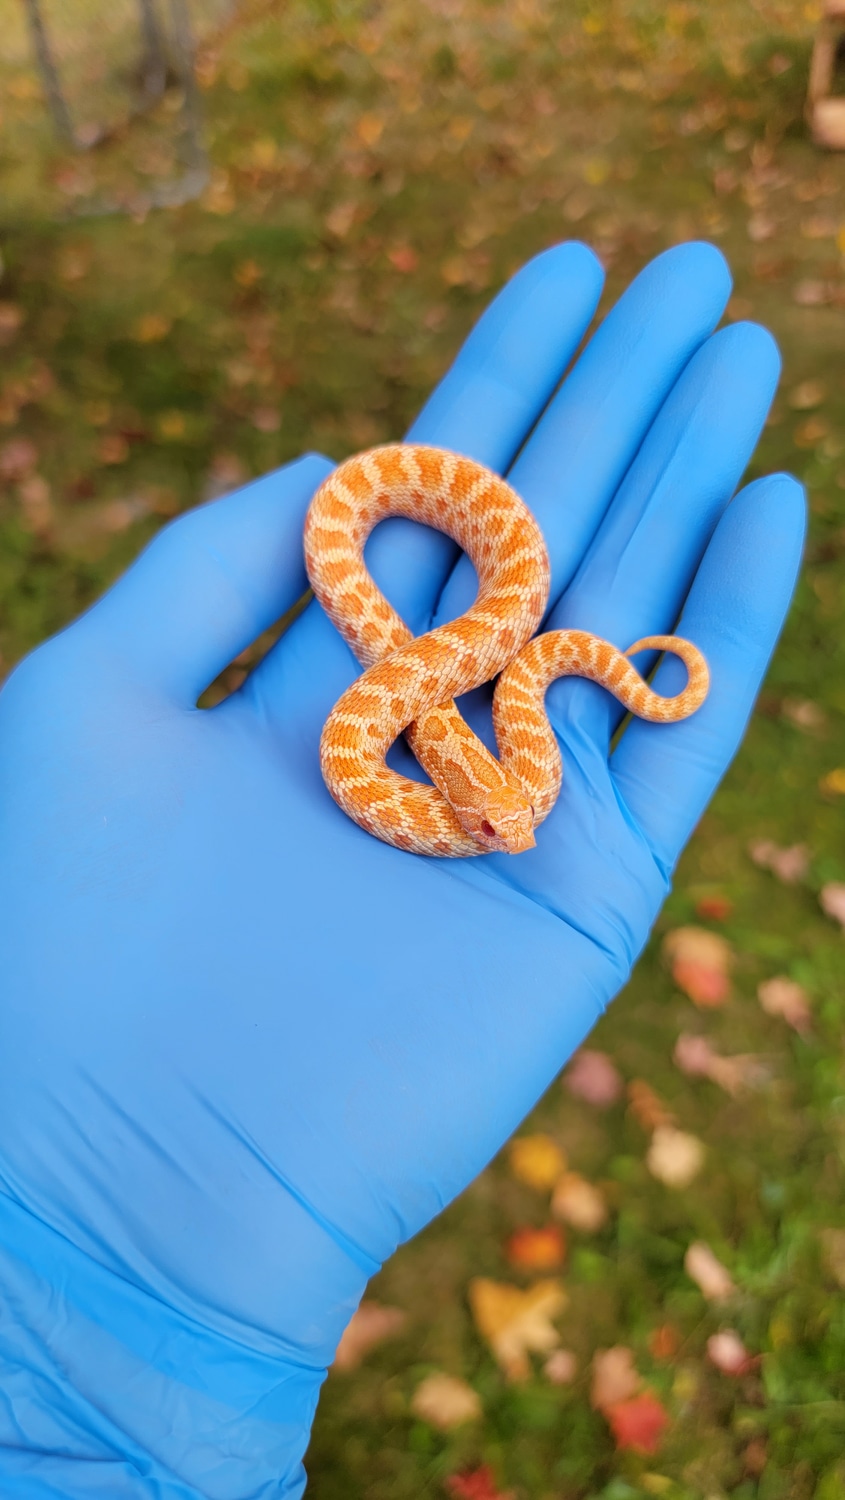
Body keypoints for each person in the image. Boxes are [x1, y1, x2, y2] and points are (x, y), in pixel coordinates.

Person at [0, 241, 804, 1497]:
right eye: (489, 820)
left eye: (486, 818)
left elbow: (497, 742)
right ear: (456, 796)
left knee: (497, 640)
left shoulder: (458, 735)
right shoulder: (390, 745)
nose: (511, 823)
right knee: (474, 645)